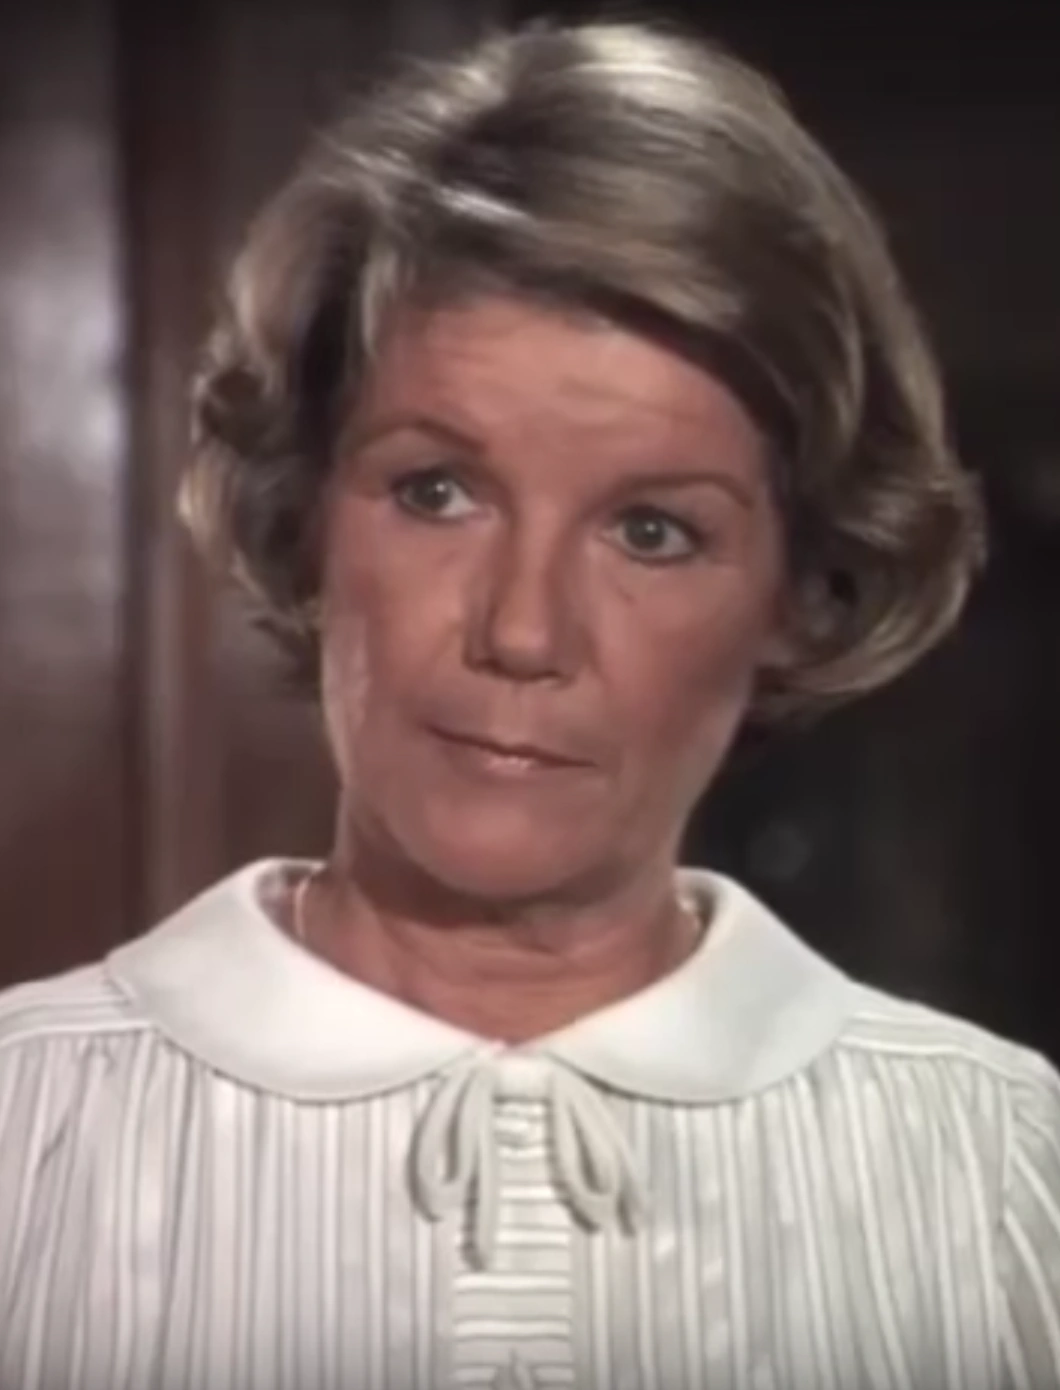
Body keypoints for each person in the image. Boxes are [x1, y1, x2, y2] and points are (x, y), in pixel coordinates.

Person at [1, 19, 1057, 1390]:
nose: (521, 629)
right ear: (307, 514)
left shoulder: (1002, 1180)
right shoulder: (27, 1137)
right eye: (437, 491)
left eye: (653, 532)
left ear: (802, 590)